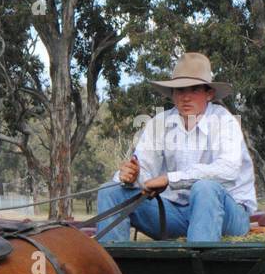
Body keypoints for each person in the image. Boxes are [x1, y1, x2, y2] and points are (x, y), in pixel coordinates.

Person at [97, 52, 256, 243]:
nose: (186, 97)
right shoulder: (160, 123)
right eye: (180, 90)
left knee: (205, 189)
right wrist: (132, 176)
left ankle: (198, 267)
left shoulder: (224, 121)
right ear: (173, 94)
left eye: (194, 89)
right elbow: (146, 173)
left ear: (209, 93)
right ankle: (114, 266)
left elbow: (228, 171)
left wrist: (170, 179)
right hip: (174, 214)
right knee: (110, 191)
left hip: (227, 215)